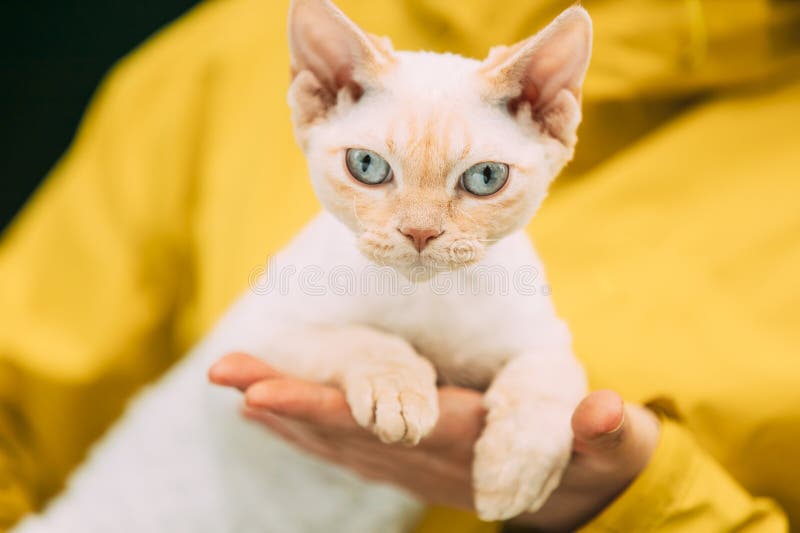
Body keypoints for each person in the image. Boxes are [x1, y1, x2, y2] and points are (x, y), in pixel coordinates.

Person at [1, 0, 798, 531]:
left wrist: (631, 499)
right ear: (319, 98)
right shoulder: (229, 48)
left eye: (481, 180)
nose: (419, 230)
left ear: (551, 116)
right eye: (371, 172)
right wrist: (363, 356)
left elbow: (541, 356)